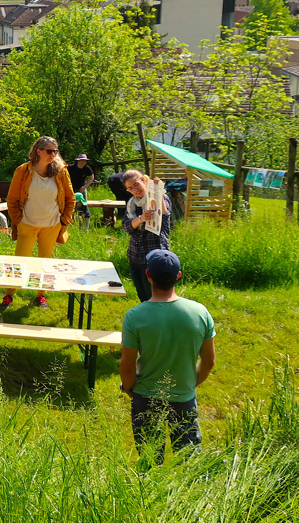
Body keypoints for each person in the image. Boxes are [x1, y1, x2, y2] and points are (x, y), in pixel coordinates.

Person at [120, 250, 215, 466]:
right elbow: (209, 361)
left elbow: (127, 365)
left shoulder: (134, 316)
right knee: (188, 462)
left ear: (148, 275)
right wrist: (190, 384)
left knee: (151, 460)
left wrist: (128, 387)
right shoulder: (200, 312)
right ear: (178, 276)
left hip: (146, 397)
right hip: (184, 396)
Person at [3, 136, 76, 310]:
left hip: (52, 226)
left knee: (46, 263)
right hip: (27, 224)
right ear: (38, 151)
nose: (53, 155)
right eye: (49, 151)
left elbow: (70, 198)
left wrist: (64, 221)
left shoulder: (61, 171)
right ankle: (9, 294)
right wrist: (18, 222)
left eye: (55, 151)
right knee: (18, 262)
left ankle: (41, 295)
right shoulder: (23, 170)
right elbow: (12, 199)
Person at [121, 170, 172, 302]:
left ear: (144, 181)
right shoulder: (132, 203)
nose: (135, 190)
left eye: (136, 185)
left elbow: (165, 217)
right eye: (130, 188)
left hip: (155, 255)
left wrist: (158, 191)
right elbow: (126, 226)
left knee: (156, 296)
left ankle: (159, 321)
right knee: (142, 295)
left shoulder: (161, 197)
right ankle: (147, 320)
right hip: (135, 255)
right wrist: (140, 219)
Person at [70, 154, 95, 219]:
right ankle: (71, 222)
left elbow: (91, 178)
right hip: (71, 188)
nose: (83, 162)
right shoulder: (71, 168)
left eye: (84, 161)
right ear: (78, 161)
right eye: (81, 161)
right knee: (71, 206)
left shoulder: (87, 168)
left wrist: (85, 186)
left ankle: (85, 222)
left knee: (84, 205)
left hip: (82, 188)